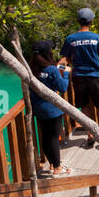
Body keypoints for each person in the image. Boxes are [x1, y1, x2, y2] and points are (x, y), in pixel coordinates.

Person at [61, 8, 99, 148]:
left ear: (77, 21)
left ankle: (89, 133)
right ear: (92, 21)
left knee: (85, 106)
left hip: (79, 76)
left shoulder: (70, 39)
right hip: (96, 75)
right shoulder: (97, 38)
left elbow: (67, 58)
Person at [30, 41, 71, 177]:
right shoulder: (51, 69)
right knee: (54, 138)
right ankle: (57, 168)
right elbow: (62, 87)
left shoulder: (31, 69)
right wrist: (66, 73)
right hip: (52, 109)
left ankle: (53, 163)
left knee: (46, 138)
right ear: (48, 53)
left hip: (39, 109)